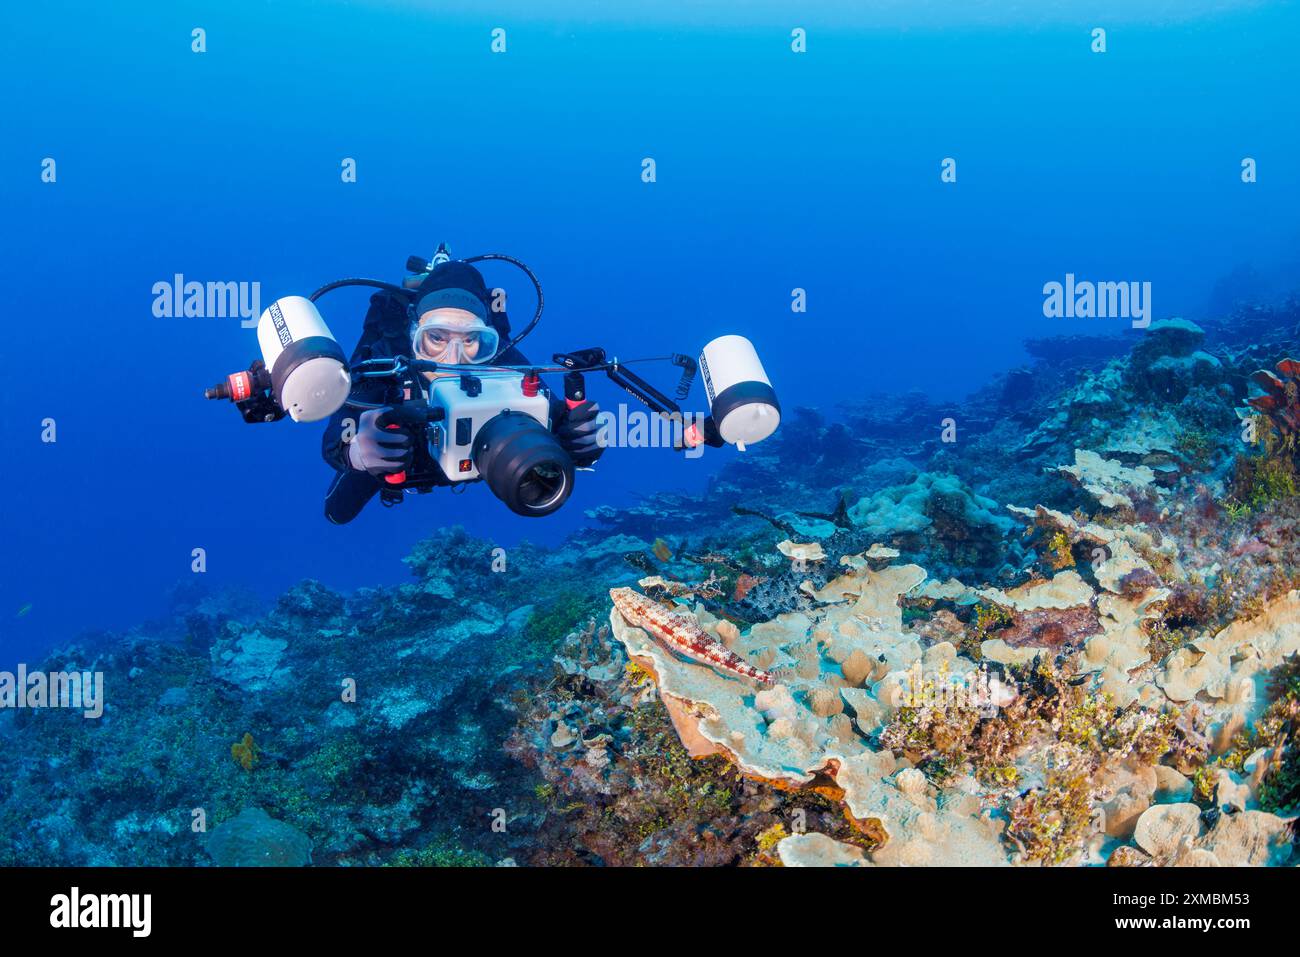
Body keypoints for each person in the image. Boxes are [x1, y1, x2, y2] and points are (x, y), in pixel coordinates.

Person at [322, 260, 603, 524]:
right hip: (404, 462)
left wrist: (578, 441)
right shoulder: (384, 361)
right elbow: (338, 432)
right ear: (413, 333)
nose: (453, 358)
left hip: (486, 454)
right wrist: (355, 452)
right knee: (338, 513)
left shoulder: (500, 361)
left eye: (470, 339)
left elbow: (554, 419)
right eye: (435, 337)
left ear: (486, 339)